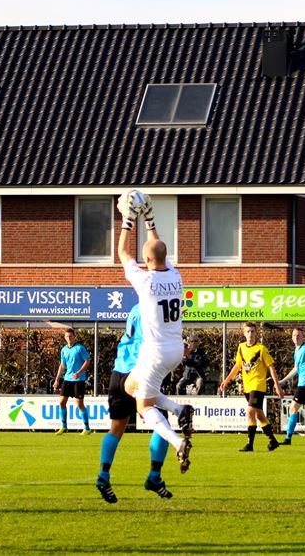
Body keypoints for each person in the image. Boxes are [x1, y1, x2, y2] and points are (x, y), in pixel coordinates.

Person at [117, 190, 194, 473]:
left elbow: (123, 253)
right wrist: (149, 218)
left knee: (143, 406)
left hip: (155, 351)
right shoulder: (175, 275)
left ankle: (177, 442)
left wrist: (128, 219)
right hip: (175, 347)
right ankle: (178, 409)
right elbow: (157, 248)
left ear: (147, 261)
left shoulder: (145, 281)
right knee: (129, 386)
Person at [95, 304, 176, 503]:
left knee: (116, 428)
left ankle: (103, 475)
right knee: (162, 425)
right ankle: (154, 477)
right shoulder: (154, 308)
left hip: (119, 371)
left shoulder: (135, 308)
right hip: (139, 372)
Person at [219, 322, 285, 452]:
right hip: (247, 387)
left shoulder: (261, 349)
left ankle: (250, 444)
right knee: (259, 415)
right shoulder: (241, 347)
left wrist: (277, 386)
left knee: (250, 411)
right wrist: (226, 380)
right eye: (248, 331)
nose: (250, 334)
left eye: (253, 331)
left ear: (256, 333)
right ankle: (273, 440)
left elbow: (271, 367)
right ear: (244, 333)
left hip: (258, 386)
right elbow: (238, 366)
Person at [52, 328, 92, 435]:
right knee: (61, 402)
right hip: (67, 379)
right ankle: (64, 426)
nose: (69, 338)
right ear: (65, 338)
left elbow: (87, 361)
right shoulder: (64, 350)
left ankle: (87, 428)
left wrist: (79, 372)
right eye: (67, 336)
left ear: (74, 337)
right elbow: (62, 365)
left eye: (70, 336)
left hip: (79, 380)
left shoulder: (80, 348)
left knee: (79, 404)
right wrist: (57, 379)